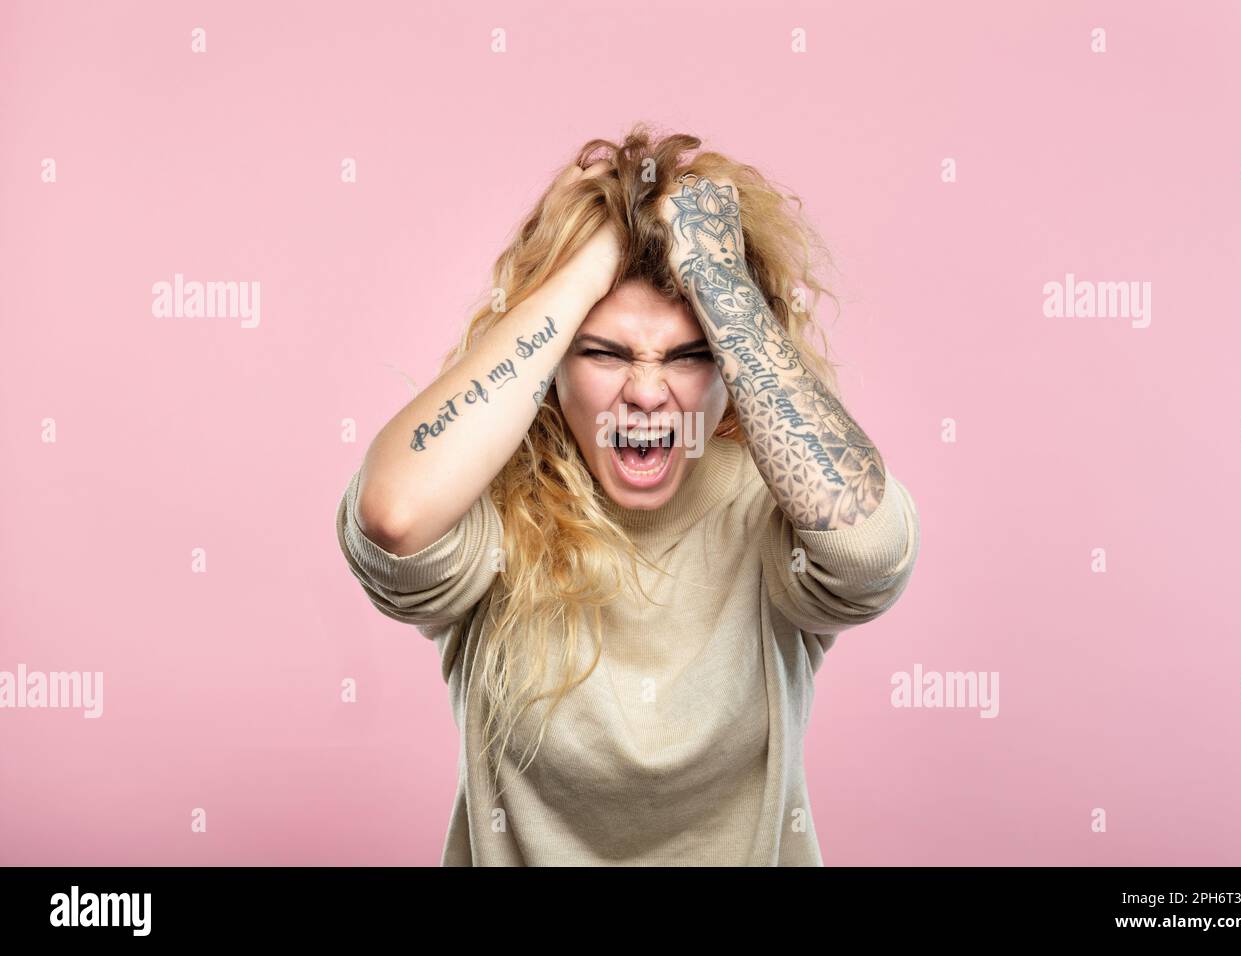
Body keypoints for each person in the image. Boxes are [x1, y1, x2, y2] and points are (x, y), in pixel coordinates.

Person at [334, 123, 920, 866]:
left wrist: (723, 285)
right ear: (553, 363)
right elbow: (391, 517)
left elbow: (869, 550)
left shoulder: (771, 511)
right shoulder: (495, 509)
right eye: (605, 353)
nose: (645, 392)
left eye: (688, 356)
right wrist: (597, 256)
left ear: (731, 366)